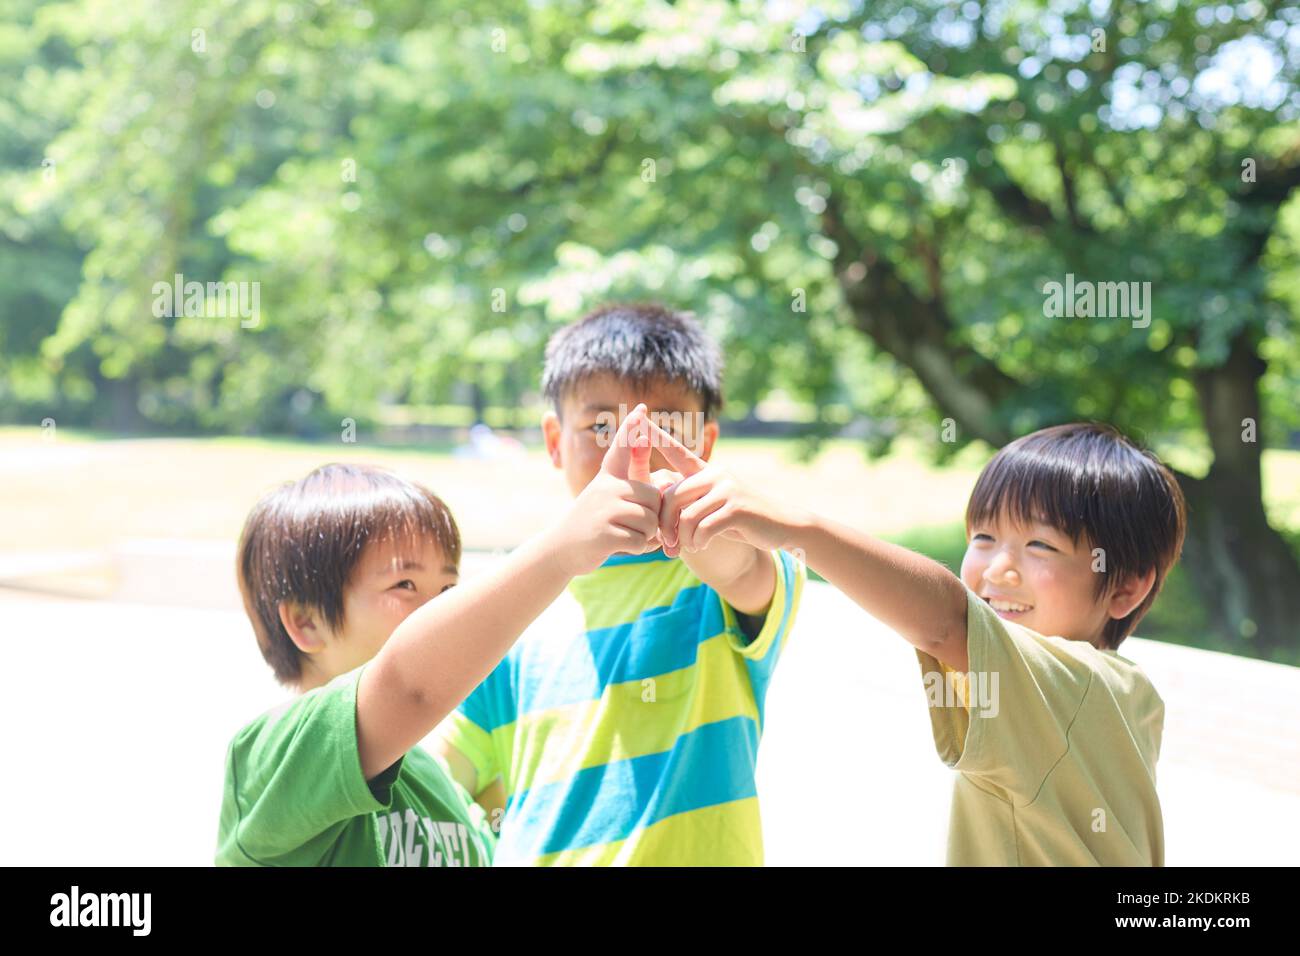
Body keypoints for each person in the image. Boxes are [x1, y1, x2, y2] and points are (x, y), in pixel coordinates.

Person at [647, 418, 1186, 866]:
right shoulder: (1122, 692)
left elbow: (946, 621)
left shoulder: (1080, 684)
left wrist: (796, 528)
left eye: (1040, 545)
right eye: (984, 537)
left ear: (1125, 587)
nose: (998, 569)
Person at [434, 303, 806, 865]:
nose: (631, 451)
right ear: (555, 441)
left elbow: (741, 567)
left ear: (703, 446)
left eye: (664, 428)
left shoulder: (725, 576)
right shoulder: (514, 600)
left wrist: (698, 516)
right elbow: (443, 774)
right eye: (602, 426)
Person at [216, 405, 663, 865]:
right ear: (306, 623)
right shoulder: (273, 760)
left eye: (448, 588)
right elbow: (409, 685)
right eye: (403, 585)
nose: (443, 607)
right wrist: (563, 551)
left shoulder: (440, 780)